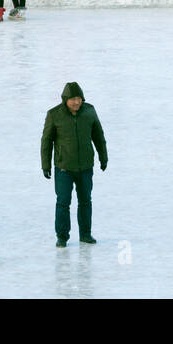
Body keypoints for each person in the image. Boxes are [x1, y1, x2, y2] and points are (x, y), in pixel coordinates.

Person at [40, 81, 107, 247]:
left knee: (86, 201)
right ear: (65, 99)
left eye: (79, 99)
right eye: (72, 99)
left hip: (85, 167)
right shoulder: (54, 114)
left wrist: (103, 156)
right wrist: (45, 164)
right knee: (63, 202)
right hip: (64, 168)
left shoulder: (90, 111)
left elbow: (98, 135)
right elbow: (46, 141)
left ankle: (85, 234)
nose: (76, 102)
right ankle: (62, 237)